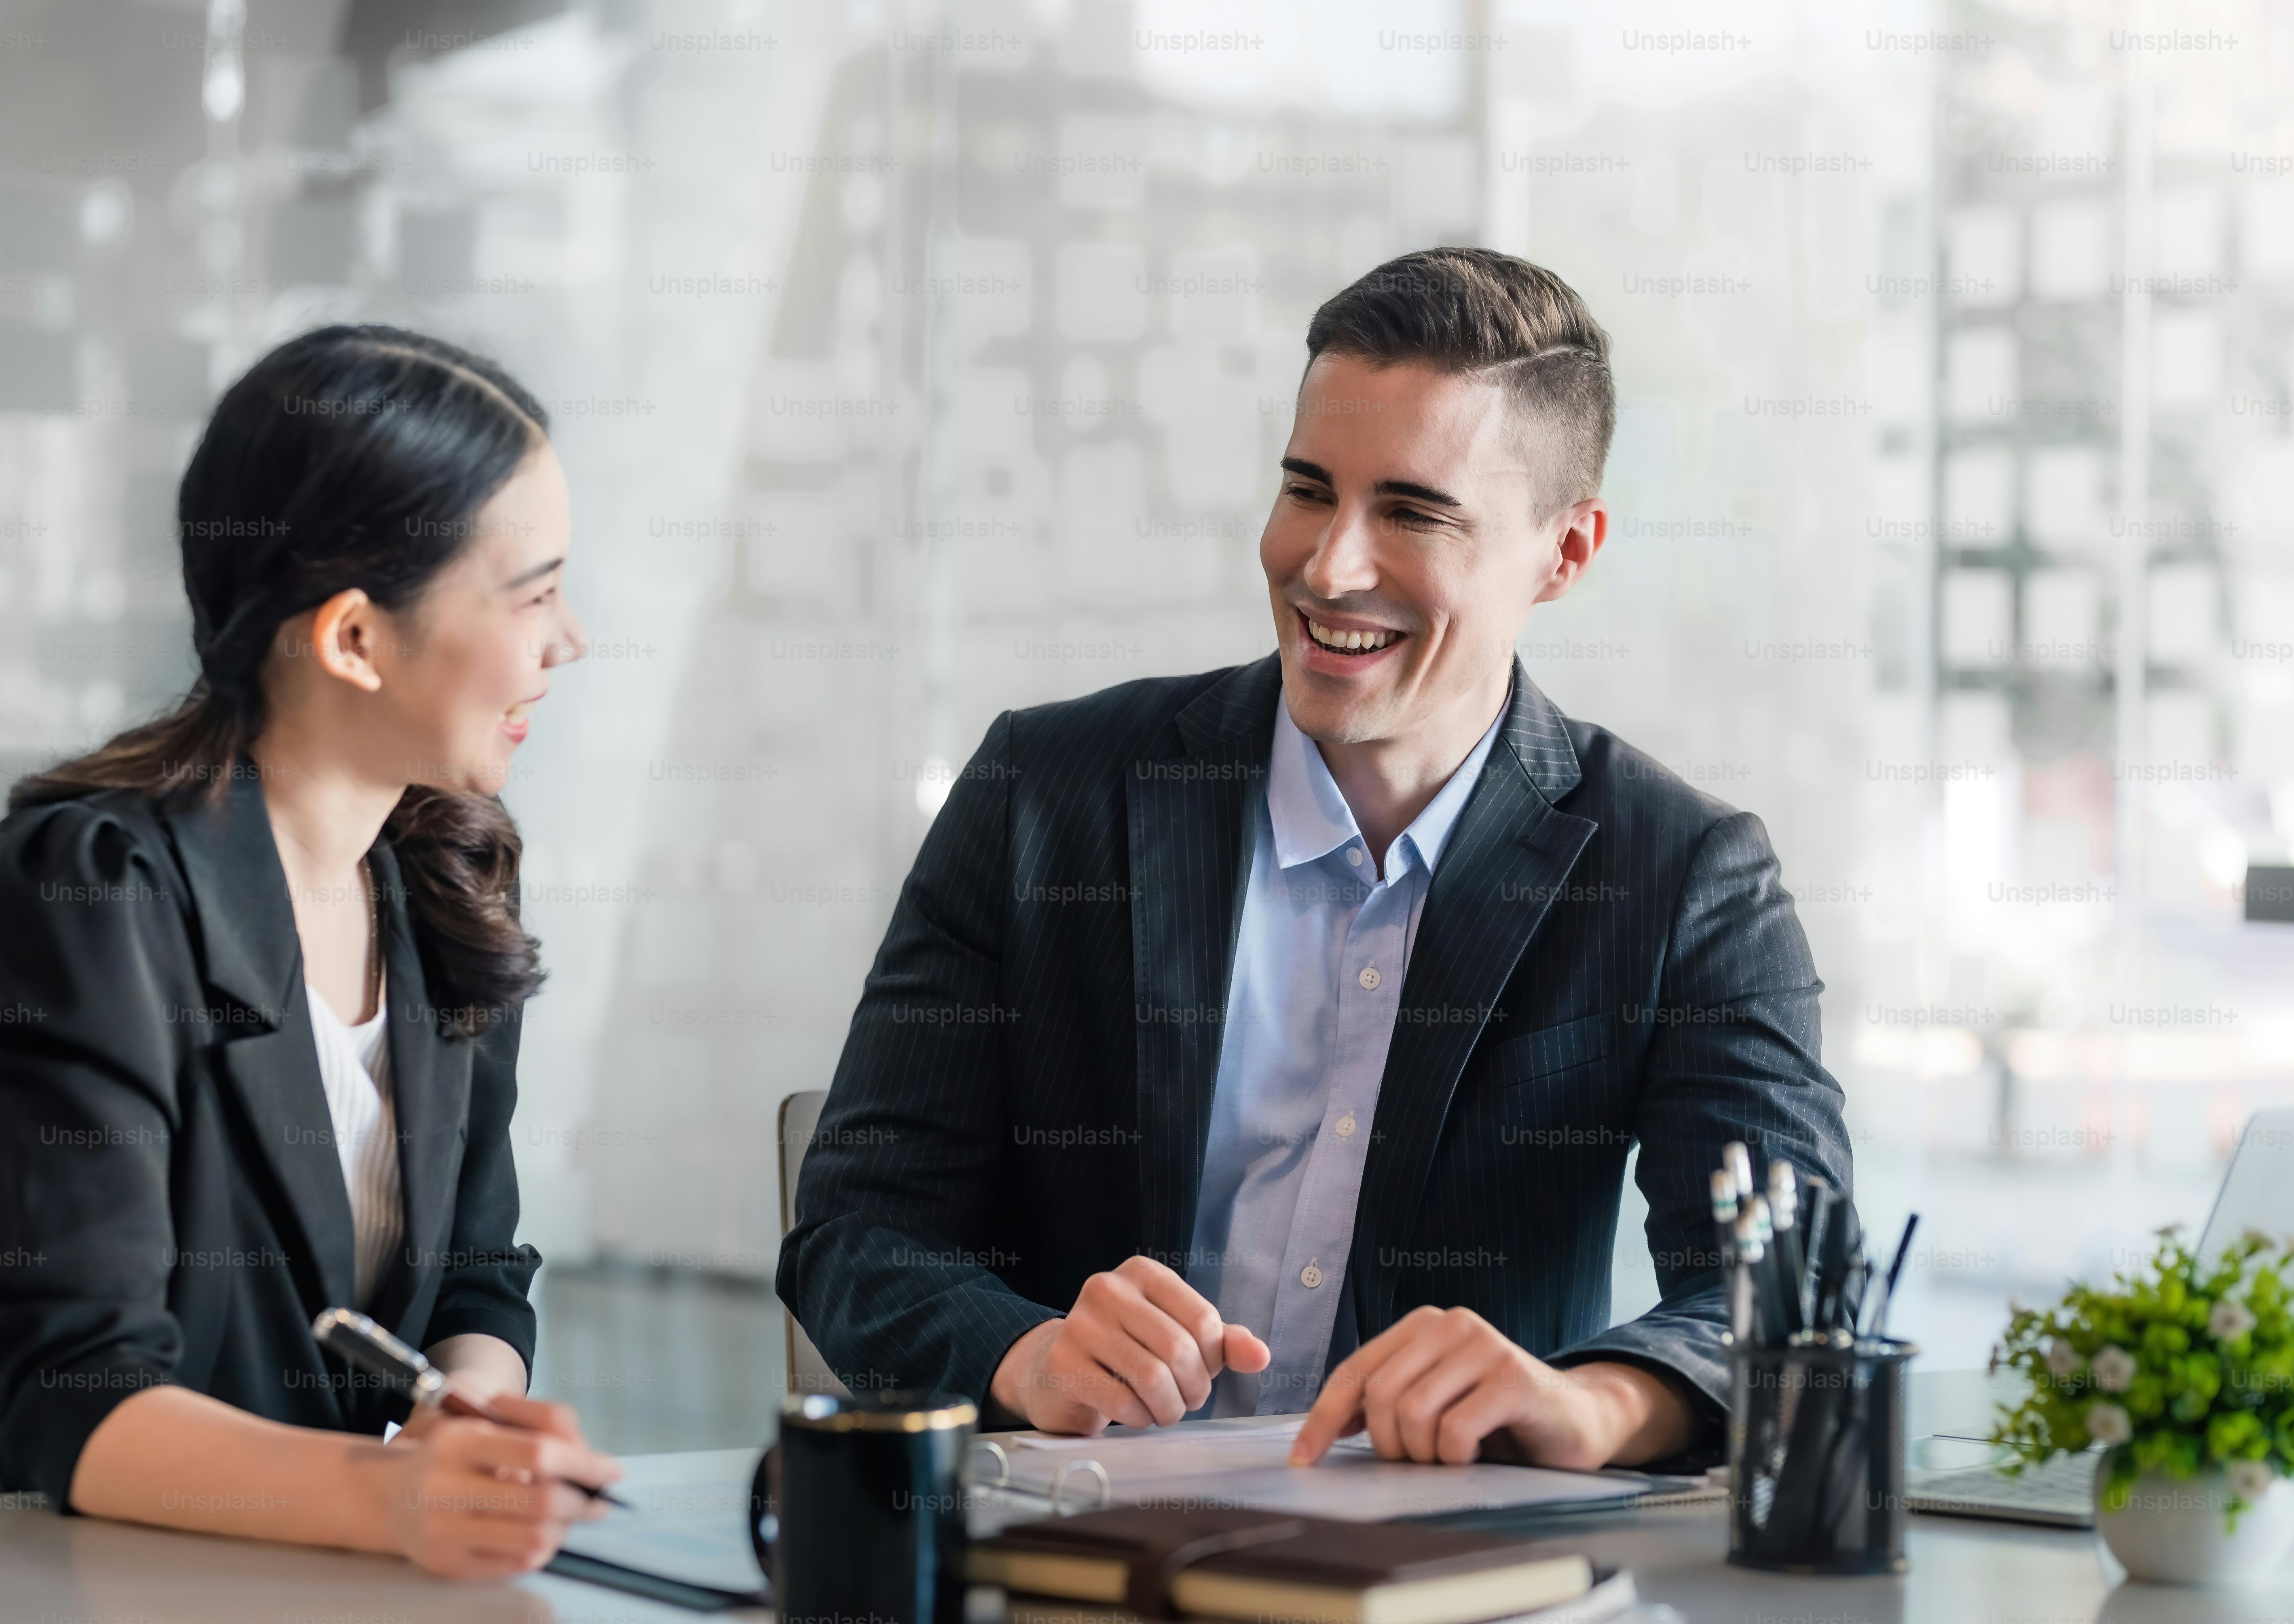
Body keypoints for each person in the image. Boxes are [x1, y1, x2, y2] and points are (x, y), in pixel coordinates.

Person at [779, 248, 1856, 1470]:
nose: (1328, 565)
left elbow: (1791, 1301)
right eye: (1307, 490)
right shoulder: (1045, 794)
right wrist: (1025, 1355)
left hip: (1439, 1583)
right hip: (1081, 1558)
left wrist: (1594, 1403)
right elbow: (856, 1230)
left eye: (1412, 512)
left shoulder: (1683, 878)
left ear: (1566, 554)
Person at [0, 325, 617, 1575]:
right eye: (534, 594)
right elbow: (73, 1394)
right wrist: (393, 1499)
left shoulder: (447, 878)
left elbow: (480, 1279)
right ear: (351, 639)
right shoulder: (97, 890)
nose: (570, 643)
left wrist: (474, 1412)